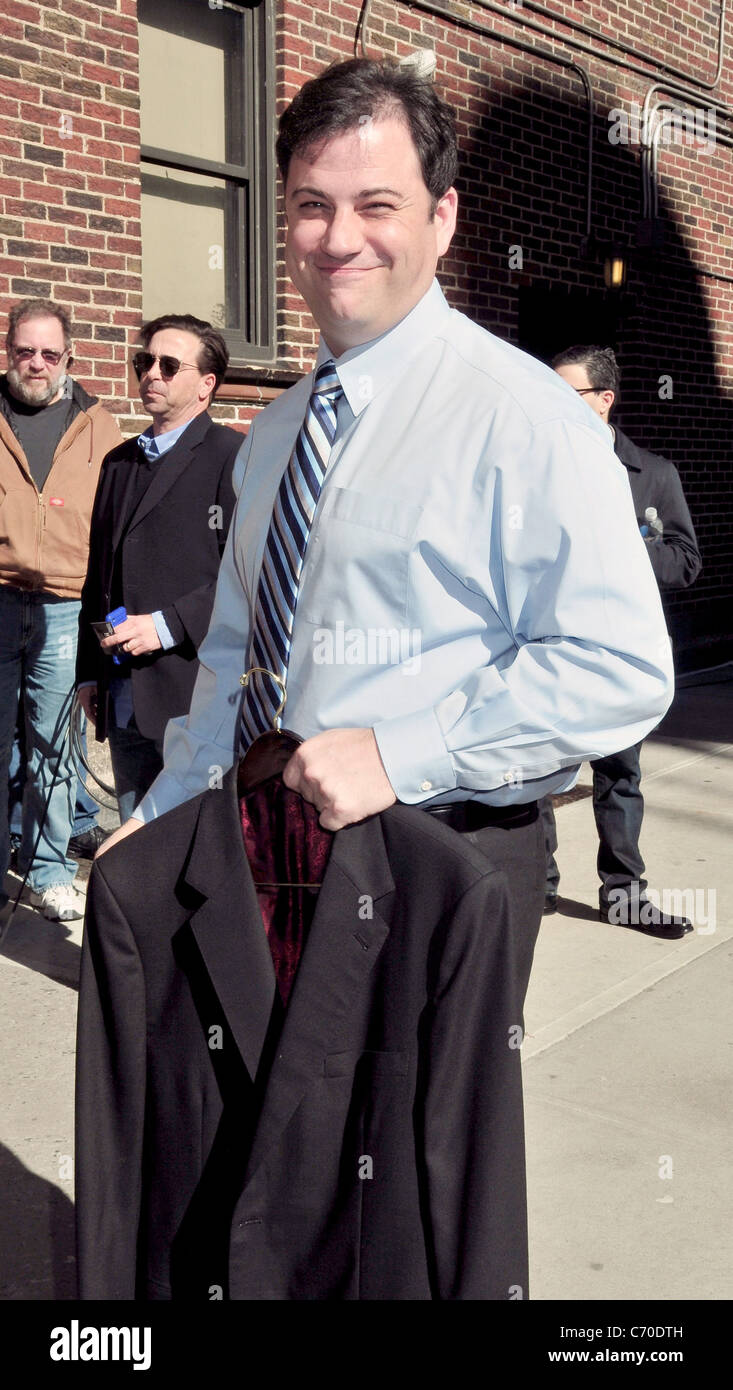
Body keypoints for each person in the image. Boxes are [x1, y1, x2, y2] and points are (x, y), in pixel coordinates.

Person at [85, 55, 675, 1302]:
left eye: (375, 204)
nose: (336, 237)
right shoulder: (283, 430)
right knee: (258, 1172)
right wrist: (172, 804)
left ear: (443, 217)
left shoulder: (525, 420)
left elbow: (620, 666)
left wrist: (403, 752)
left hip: (437, 855)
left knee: (402, 1208)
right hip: (267, 852)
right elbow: (242, 649)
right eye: (307, 204)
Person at [541, 344, 702, 938]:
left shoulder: (653, 474)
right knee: (541, 772)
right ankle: (540, 887)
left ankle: (623, 896)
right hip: (551, 645)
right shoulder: (539, 466)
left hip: (620, 653)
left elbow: (686, 562)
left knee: (619, 775)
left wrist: (629, 544)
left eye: (568, 391)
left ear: (603, 401)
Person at [76, 315, 241, 821]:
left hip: (196, 694)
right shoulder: (118, 462)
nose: (152, 374)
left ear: (206, 385)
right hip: (123, 695)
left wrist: (168, 626)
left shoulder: (232, 456)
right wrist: (89, 674)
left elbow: (246, 574)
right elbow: (98, 574)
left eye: (170, 365)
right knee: (135, 849)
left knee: (194, 849)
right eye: (144, 362)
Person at [0, 299, 122, 921]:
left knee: (53, 746)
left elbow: (118, 517)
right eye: (25, 351)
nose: (37, 363)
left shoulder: (98, 423)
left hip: (67, 606)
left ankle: (49, 872)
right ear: (9, 351)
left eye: (50, 353)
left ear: (69, 356)